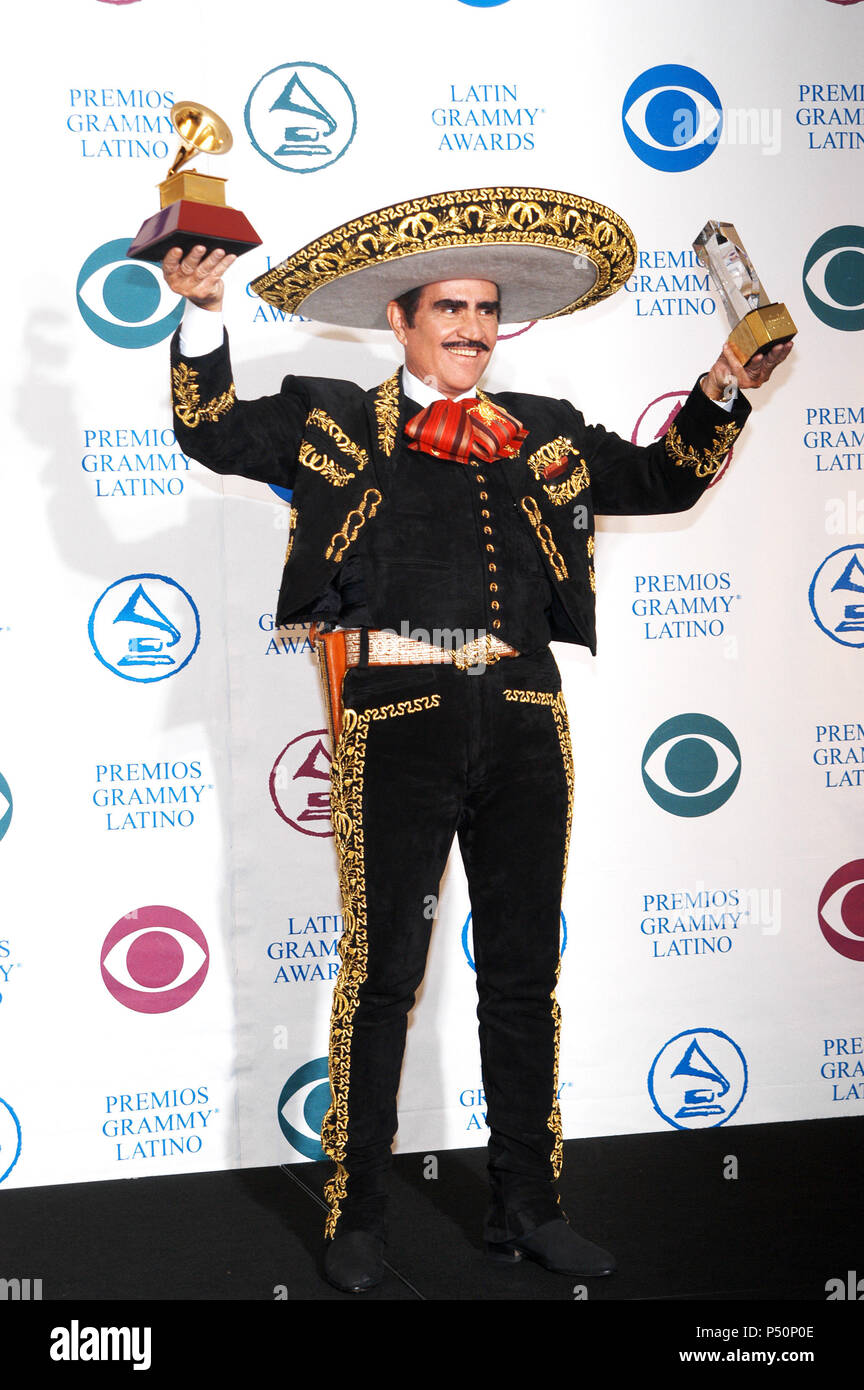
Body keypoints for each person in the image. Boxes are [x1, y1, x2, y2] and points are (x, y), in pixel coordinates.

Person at [162, 186, 791, 1294]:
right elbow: (209, 429)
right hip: (394, 726)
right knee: (383, 975)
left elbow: (661, 475)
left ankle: (528, 1206)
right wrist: (204, 315)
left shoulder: (542, 428)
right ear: (400, 322)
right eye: (448, 308)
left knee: (519, 972)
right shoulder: (330, 416)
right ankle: (356, 1215)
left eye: (486, 311)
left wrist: (724, 387)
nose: (470, 328)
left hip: (525, 724)